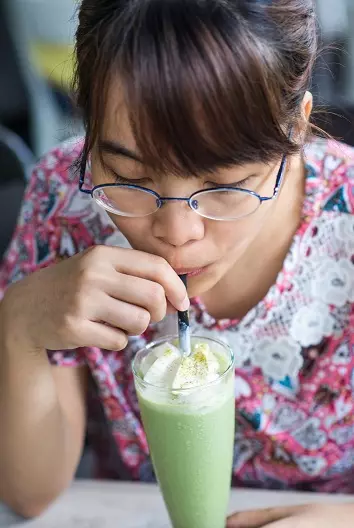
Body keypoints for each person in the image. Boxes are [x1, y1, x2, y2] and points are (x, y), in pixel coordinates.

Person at [0, 0, 353, 525]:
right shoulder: (64, 206)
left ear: (296, 130)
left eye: (227, 185)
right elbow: (30, 496)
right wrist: (19, 326)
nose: (176, 234)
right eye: (130, 177)